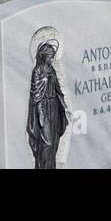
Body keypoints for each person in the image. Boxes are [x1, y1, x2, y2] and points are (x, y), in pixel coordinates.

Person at [27, 40, 68, 169]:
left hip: (54, 106)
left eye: (53, 55)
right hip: (43, 107)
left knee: (54, 142)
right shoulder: (37, 70)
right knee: (47, 143)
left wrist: (64, 106)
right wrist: (40, 113)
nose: (52, 58)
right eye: (50, 56)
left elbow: (58, 89)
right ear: (43, 55)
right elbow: (36, 94)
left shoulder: (52, 69)